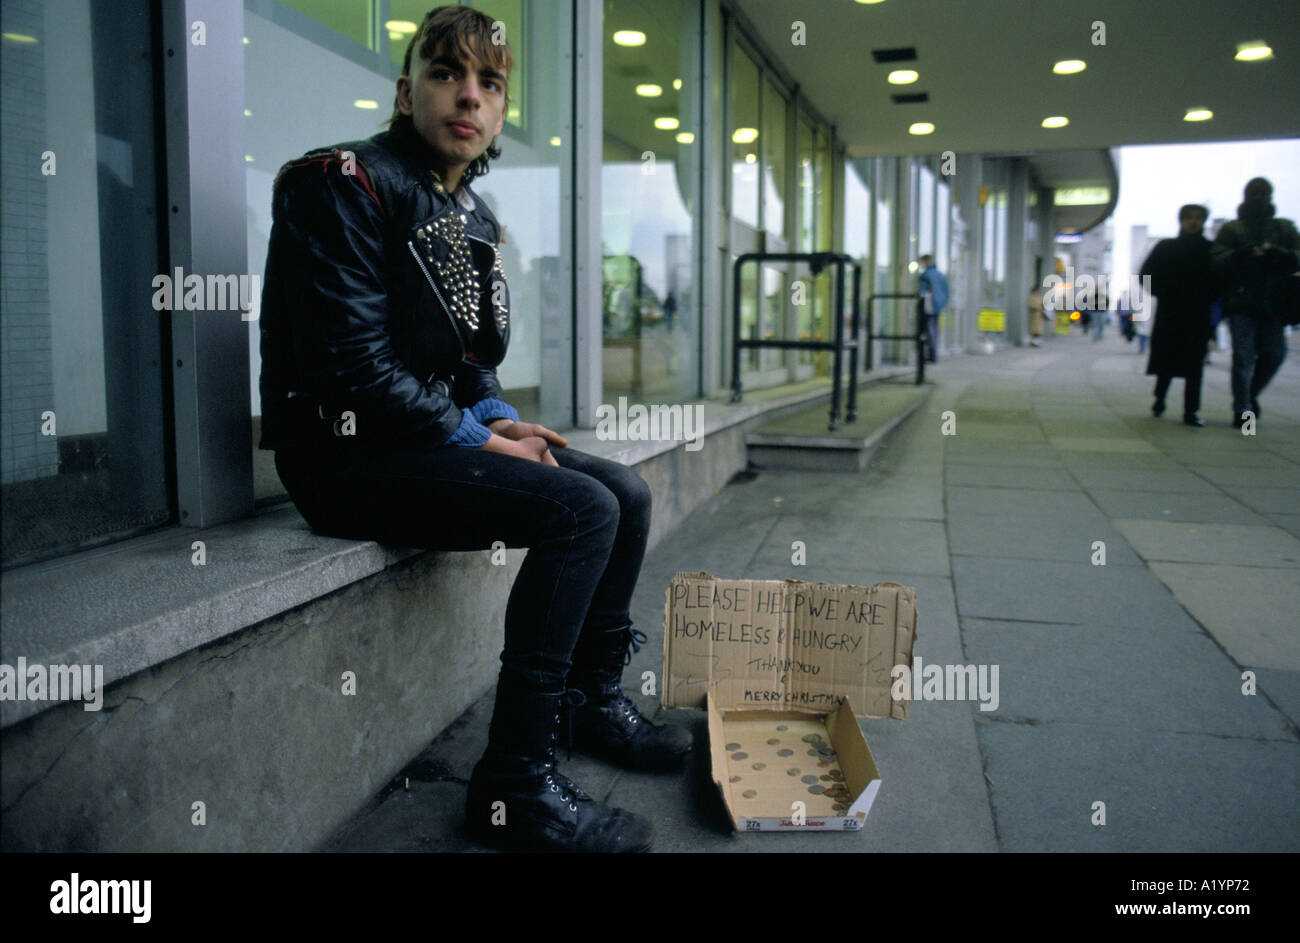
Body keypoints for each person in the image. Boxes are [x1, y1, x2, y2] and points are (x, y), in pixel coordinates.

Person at [258, 6, 689, 853]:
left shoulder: (473, 215)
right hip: (343, 457)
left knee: (625, 491)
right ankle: (514, 782)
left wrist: (496, 415)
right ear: (404, 88)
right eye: (447, 73)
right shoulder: (342, 181)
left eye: (489, 82)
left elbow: (466, 358)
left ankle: (590, 700)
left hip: (422, 441)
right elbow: (352, 368)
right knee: (581, 509)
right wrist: (480, 441)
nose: (469, 96)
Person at [1211, 177, 1300, 426]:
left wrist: (1283, 255)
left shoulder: (1284, 228)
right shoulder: (1233, 229)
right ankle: (1243, 411)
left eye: (1265, 193)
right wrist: (1242, 254)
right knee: (1243, 358)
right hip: (1242, 302)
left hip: (1274, 303)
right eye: (1255, 193)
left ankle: (1248, 396)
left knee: (1274, 355)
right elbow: (1217, 261)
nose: (1260, 197)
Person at [1139, 204, 1219, 426]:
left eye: (1198, 218)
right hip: (1171, 312)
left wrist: (1209, 297)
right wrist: (1160, 291)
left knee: (1194, 364)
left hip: (1196, 314)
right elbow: (1146, 275)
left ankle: (1190, 411)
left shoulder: (1210, 249)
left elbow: (1219, 280)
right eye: (1189, 218)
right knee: (1167, 359)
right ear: (1181, 221)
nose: (1194, 222)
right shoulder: (1166, 247)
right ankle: (1160, 398)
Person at [916, 254, 948, 362]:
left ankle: (931, 354)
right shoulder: (940, 275)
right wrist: (940, 303)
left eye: (923, 262)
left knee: (928, 330)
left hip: (928, 306)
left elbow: (922, 292)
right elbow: (946, 292)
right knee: (933, 329)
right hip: (936, 306)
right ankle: (932, 353)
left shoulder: (926, 275)